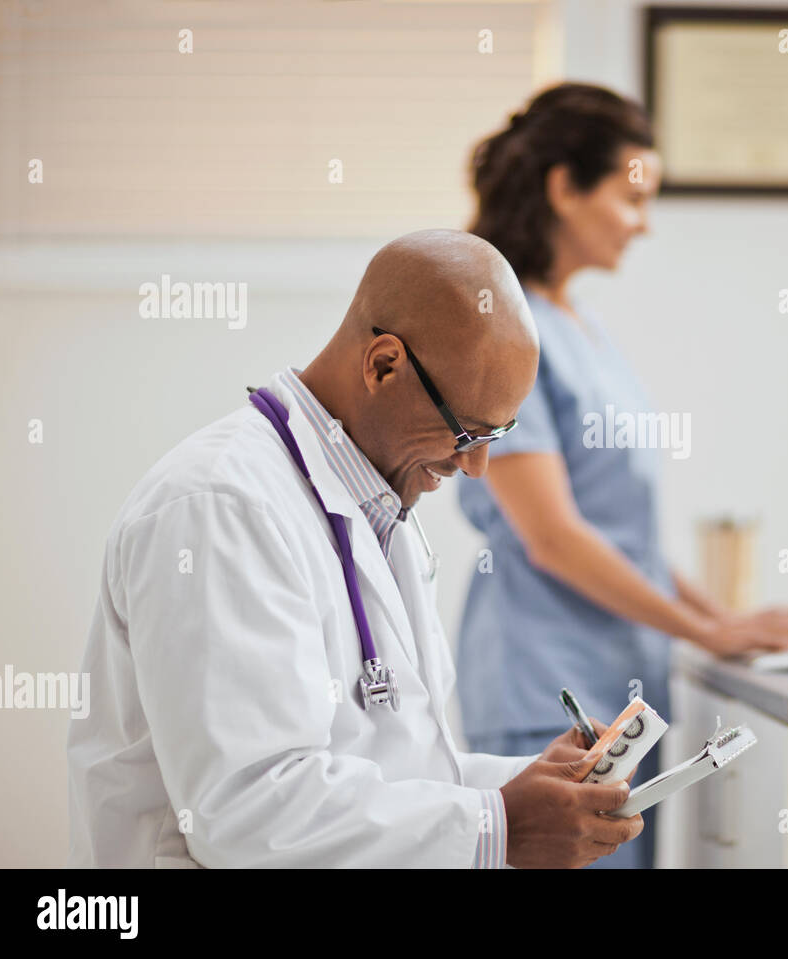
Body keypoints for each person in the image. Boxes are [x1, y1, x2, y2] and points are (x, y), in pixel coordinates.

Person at [67, 229, 643, 868]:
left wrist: (524, 788)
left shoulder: (376, 508)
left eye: (497, 434)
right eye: (465, 432)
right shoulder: (220, 505)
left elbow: (393, 768)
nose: (476, 466)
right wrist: (495, 826)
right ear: (383, 364)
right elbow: (245, 812)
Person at [456, 84, 788, 869]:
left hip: (618, 693)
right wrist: (708, 631)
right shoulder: (511, 328)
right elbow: (554, 536)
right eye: (632, 197)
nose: (644, 222)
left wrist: (727, 615)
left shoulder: (580, 327)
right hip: (545, 696)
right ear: (564, 187)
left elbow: (627, 536)